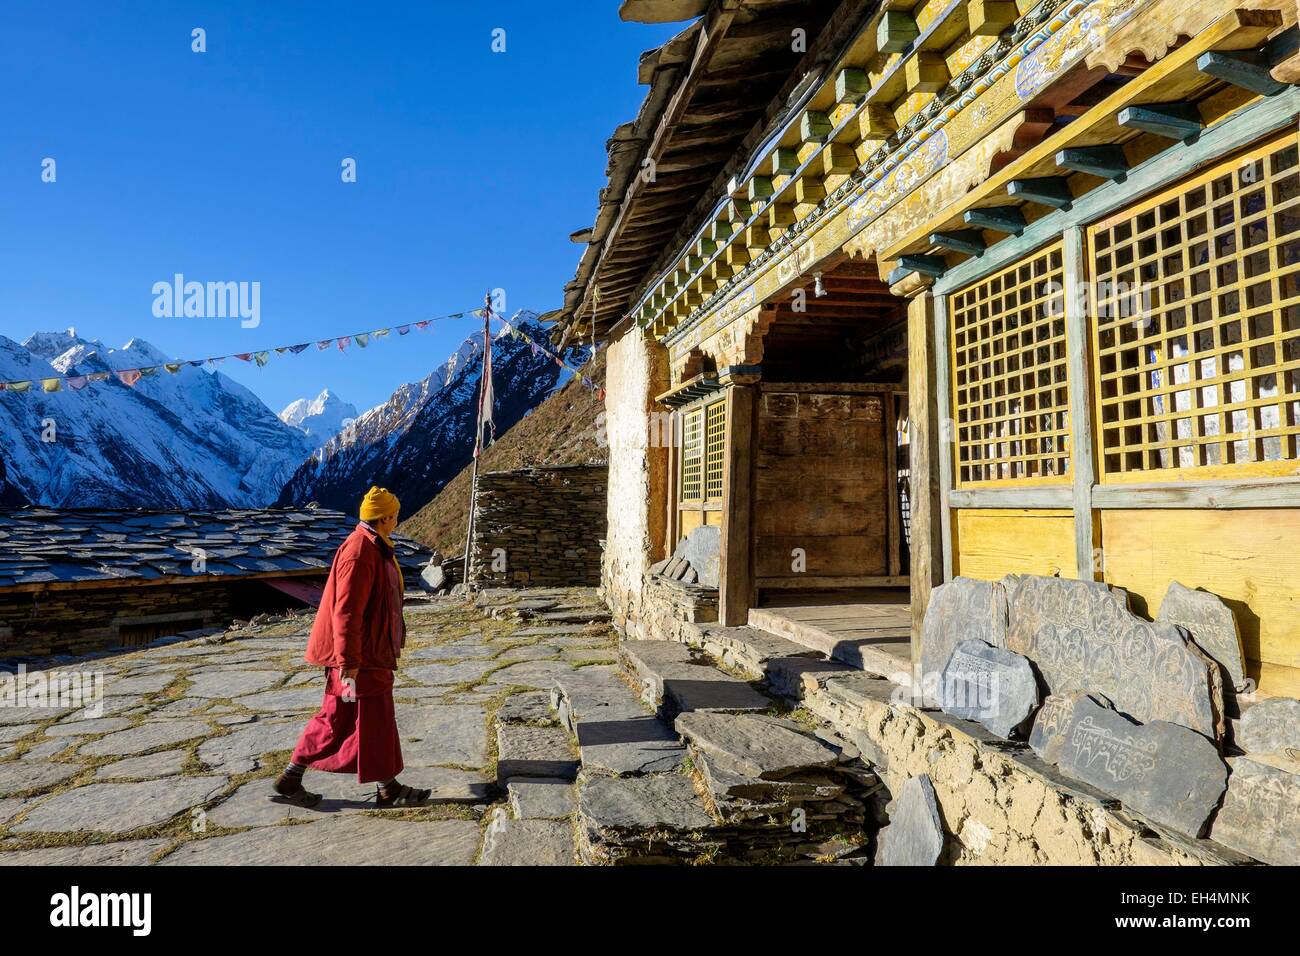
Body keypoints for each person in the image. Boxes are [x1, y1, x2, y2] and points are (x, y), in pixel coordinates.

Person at [272, 486, 431, 808]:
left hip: (368, 652)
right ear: (385, 518)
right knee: (345, 718)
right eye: (396, 515)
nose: (398, 520)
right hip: (360, 657)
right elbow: (346, 610)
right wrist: (348, 659)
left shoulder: (374, 545)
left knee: (361, 718)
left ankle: (381, 785)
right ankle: (382, 787)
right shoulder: (361, 551)